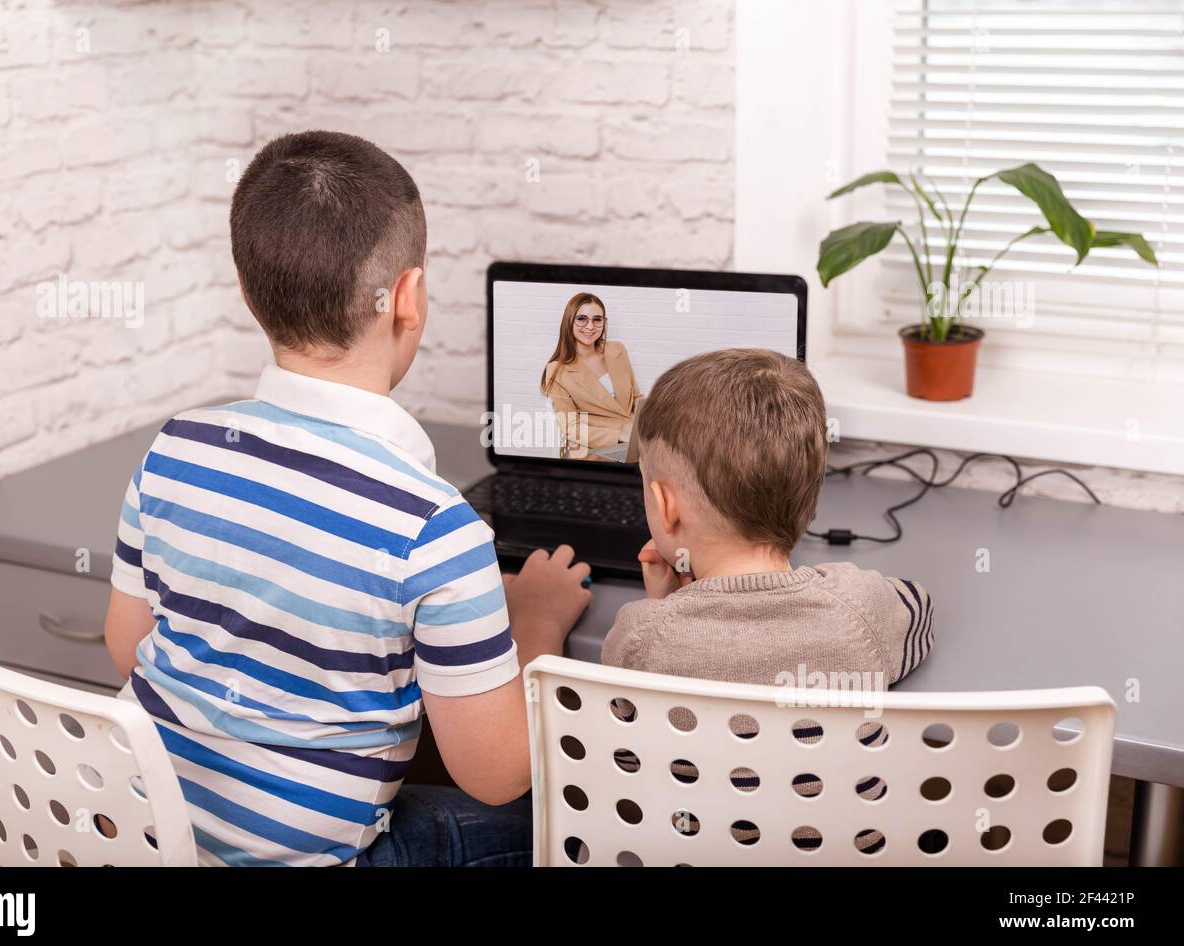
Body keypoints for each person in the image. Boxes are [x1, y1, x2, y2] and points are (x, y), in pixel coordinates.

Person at [102, 130, 591, 867]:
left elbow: (123, 645)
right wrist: (538, 623)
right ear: (409, 300)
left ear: (247, 290)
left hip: (152, 841)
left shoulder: (176, 447)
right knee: (561, 830)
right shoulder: (433, 530)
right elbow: (496, 775)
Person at [603, 348, 936, 699]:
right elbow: (922, 608)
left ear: (665, 507)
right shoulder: (860, 609)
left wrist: (665, 604)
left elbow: (627, 750)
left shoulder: (639, 638)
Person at [540, 292, 641, 460]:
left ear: (604, 323)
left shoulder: (617, 350)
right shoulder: (557, 370)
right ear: (569, 322)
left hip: (633, 436)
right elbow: (570, 428)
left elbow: (636, 397)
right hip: (592, 446)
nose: (590, 326)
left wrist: (651, 419)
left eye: (597, 319)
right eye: (581, 319)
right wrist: (620, 436)